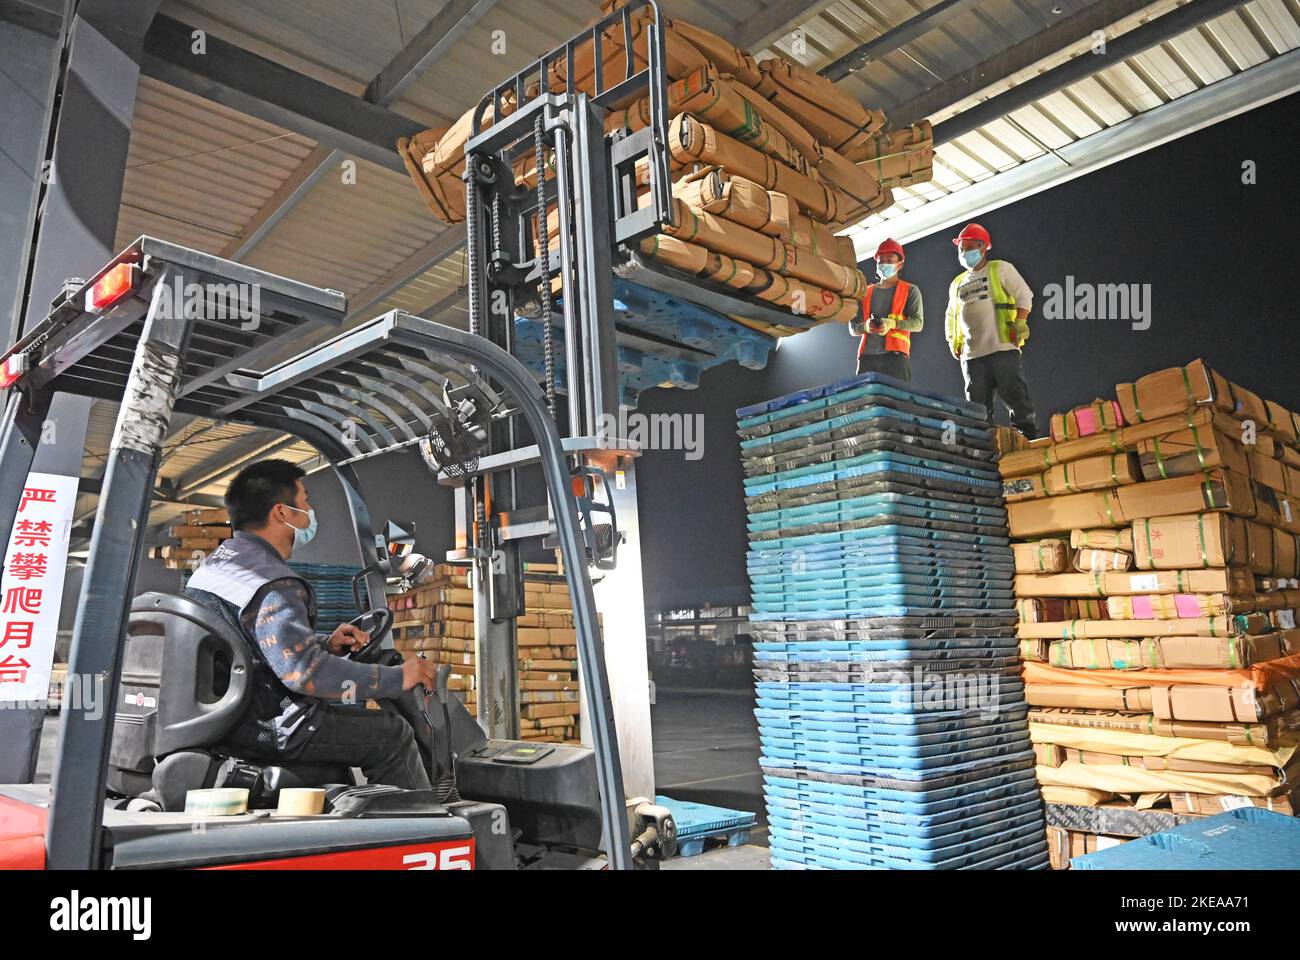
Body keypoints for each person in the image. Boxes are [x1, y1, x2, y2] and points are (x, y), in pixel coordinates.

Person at [184, 459, 440, 790]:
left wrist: (322, 644)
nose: (310, 511)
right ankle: (419, 832)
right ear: (282, 513)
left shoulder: (216, 566)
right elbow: (307, 675)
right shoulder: (272, 583)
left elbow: (247, 644)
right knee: (393, 735)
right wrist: (398, 677)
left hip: (226, 718)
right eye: (305, 501)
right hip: (268, 726)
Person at [944, 223, 1038, 438]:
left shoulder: (1000, 269)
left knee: (1016, 397)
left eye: (970, 247)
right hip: (972, 355)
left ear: (984, 247)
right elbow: (951, 315)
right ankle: (985, 447)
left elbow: (1025, 295)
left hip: (1002, 348)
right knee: (977, 409)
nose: (965, 253)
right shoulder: (957, 283)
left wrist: (1020, 322)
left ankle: (1027, 440)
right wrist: (953, 341)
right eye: (962, 248)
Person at [848, 237, 923, 379]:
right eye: (881, 260)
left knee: (896, 400)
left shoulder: (910, 290)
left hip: (896, 358)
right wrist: (866, 326)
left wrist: (892, 324)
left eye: (890, 260)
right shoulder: (865, 292)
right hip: (867, 358)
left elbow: (918, 323)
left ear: (899, 265)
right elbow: (853, 327)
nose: (884, 264)